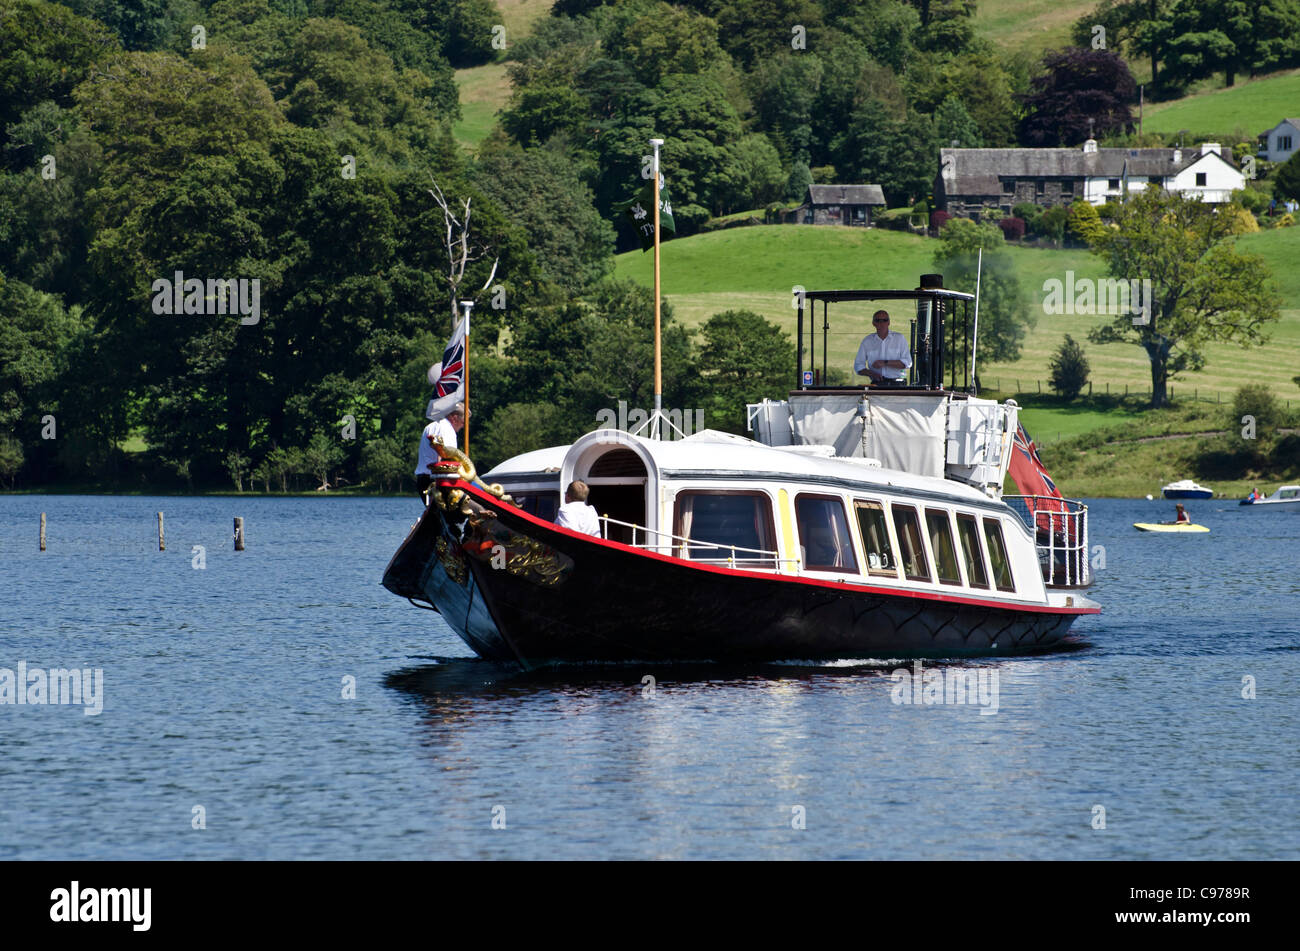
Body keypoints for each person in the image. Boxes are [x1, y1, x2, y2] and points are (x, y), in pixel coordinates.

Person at [414, 403, 466, 499]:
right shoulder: (447, 429)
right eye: (463, 422)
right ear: (454, 417)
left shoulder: (430, 426)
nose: (463, 426)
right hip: (439, 481)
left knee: (436, 513)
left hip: (423, 480)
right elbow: (444, 457)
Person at [854, 309, 913, 384]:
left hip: (898, 383)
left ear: (889, 322)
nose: (882, 323)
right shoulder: (867, 341)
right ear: (873, 323)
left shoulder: (899, 338)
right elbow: (858, 366)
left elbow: (908, 363)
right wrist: (872, 374)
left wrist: (885, 362)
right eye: (878, 320)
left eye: (885, 320)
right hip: (877, 382)